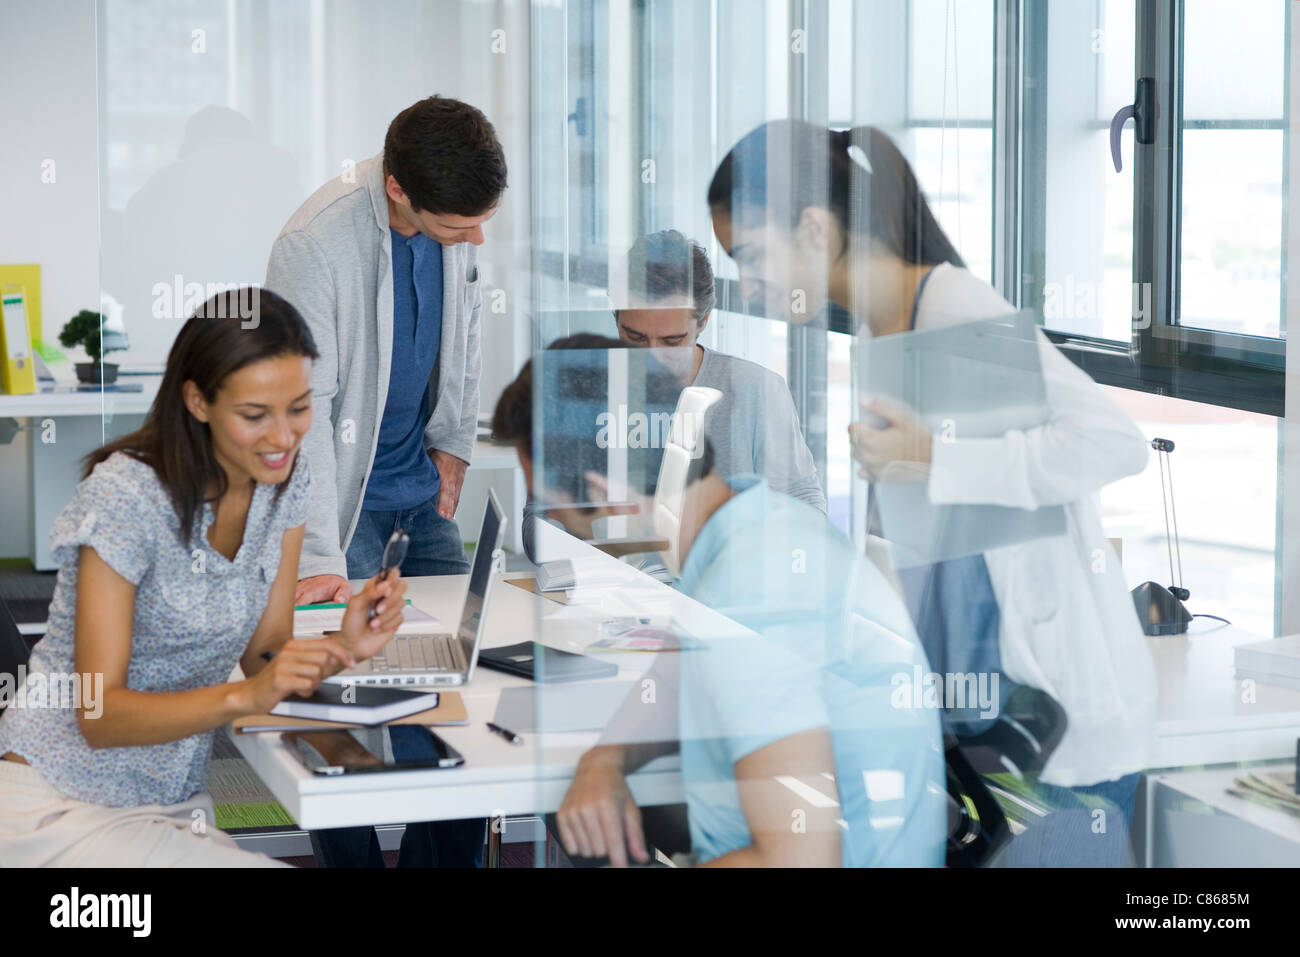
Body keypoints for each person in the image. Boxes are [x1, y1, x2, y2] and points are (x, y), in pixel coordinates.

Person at [707, 120, 1158, 865]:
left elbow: (1113, 442)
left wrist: (935, 456)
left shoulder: (950, 306)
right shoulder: (883, 331)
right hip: (985, 733)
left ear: (815, 229)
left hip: (1060, 743)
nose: (745, 282)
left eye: (750, 255)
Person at [494, 336, 946, 867]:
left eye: (554, 508)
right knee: (578, 811)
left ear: (601, 489)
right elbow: (672, 678)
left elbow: (797, 861)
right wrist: (604, 759)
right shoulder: (751, 526)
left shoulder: (749, 595)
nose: (559, 526)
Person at [0, 289, 408, 867]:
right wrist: (247, 697)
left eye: (299, 407)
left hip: (170, 803)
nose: (283, 437)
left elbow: (267, 651)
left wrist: (342, 647)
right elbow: (100, 715)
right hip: (57, 806)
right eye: (254, 415)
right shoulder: (128, 497)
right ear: (197, 401)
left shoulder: (285, 482)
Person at [266, 94, 506, 868]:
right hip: (341, 506)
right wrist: (320, 561)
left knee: (454, 701)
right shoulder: (317, 242)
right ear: (399, 188)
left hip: (416, 485)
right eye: (459, 224)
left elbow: (464, 333)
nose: (476, 238)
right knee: (336, 702)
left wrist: (453, 442)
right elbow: (304, 406)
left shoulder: (457, 216)